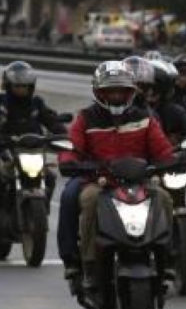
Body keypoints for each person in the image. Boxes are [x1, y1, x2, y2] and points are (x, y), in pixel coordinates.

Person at [56, 61, 175, 296]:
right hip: (99, 183)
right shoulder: (85, 118)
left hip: (138, 183)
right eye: (111, 90)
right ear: (100, 92)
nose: (116, 95)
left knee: (164, 198)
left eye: (121, 90)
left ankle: (166, 259)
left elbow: (163, 150)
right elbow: (71, 148)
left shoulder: (145, 118)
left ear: (130, 92)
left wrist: (172, 161)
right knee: (86, 201)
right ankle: (86, 264)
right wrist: (71, 161)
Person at [0, 61, 67, 230]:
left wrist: (63, 133)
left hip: (32, 151)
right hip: (4, 150)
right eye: (17, 86)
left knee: (50, 177)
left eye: (25, 86)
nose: (21, 90)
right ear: (9, 85)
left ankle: (40, 212)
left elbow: (51, 120)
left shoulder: (37, 103)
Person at [145, 59, 186, 146]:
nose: (150, 91)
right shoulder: (128, 111)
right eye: (146, 86)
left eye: (157, 87)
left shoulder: (175, 111)